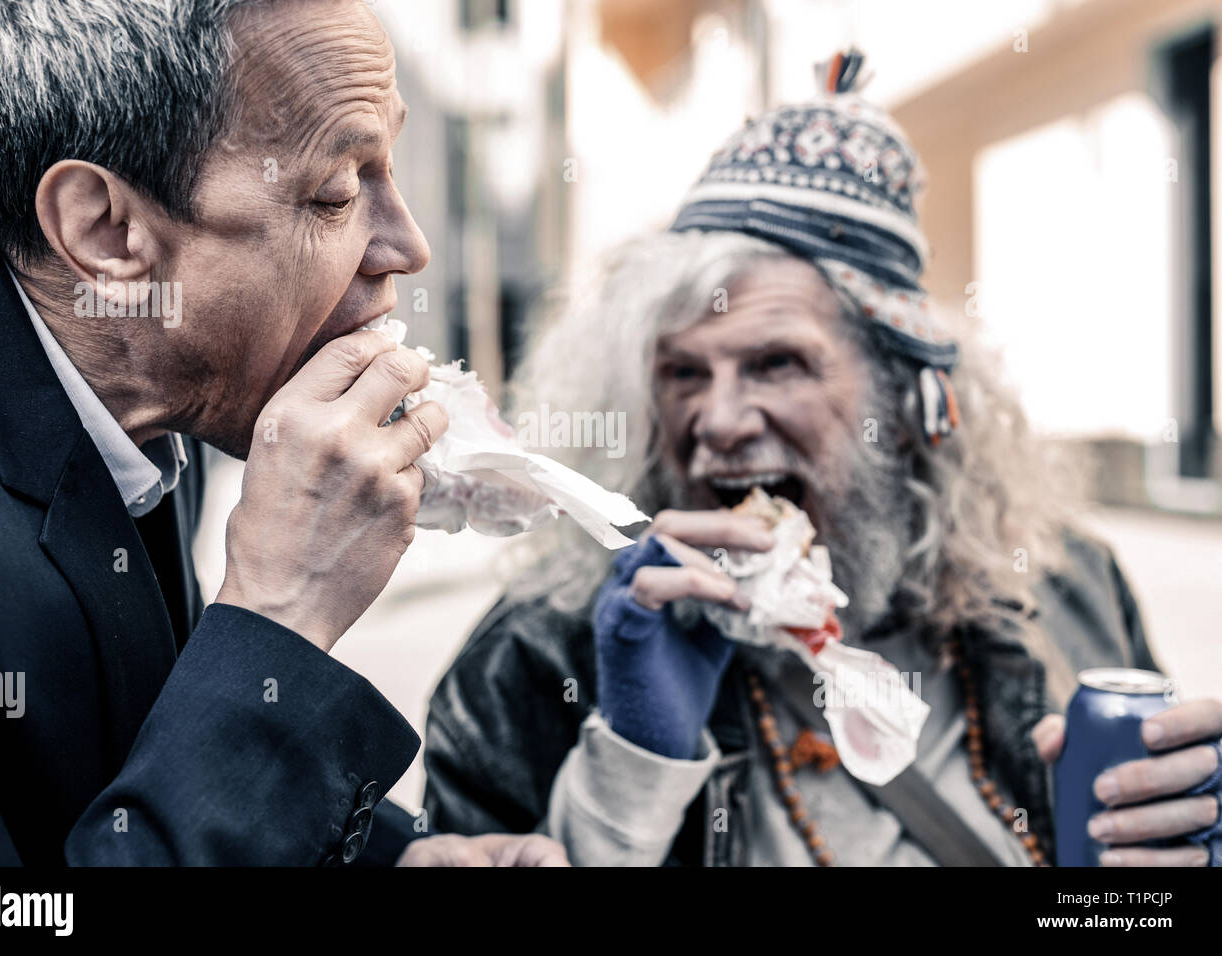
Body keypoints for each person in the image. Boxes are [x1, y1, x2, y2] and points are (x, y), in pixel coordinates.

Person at [422, 62, 1222, 866]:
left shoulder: (1070, 586)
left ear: (906, 403)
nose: (719, 422)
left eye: (776, 364)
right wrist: (631, 759)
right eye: (683, 373)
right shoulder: (535, 662)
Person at [0, 0, 565, 867]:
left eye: (391, 167)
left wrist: (391, 862)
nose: (407, 246)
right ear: (106, 231)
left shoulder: (147, 399)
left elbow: (140, 774)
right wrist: (281, 613)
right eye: (335, 193)